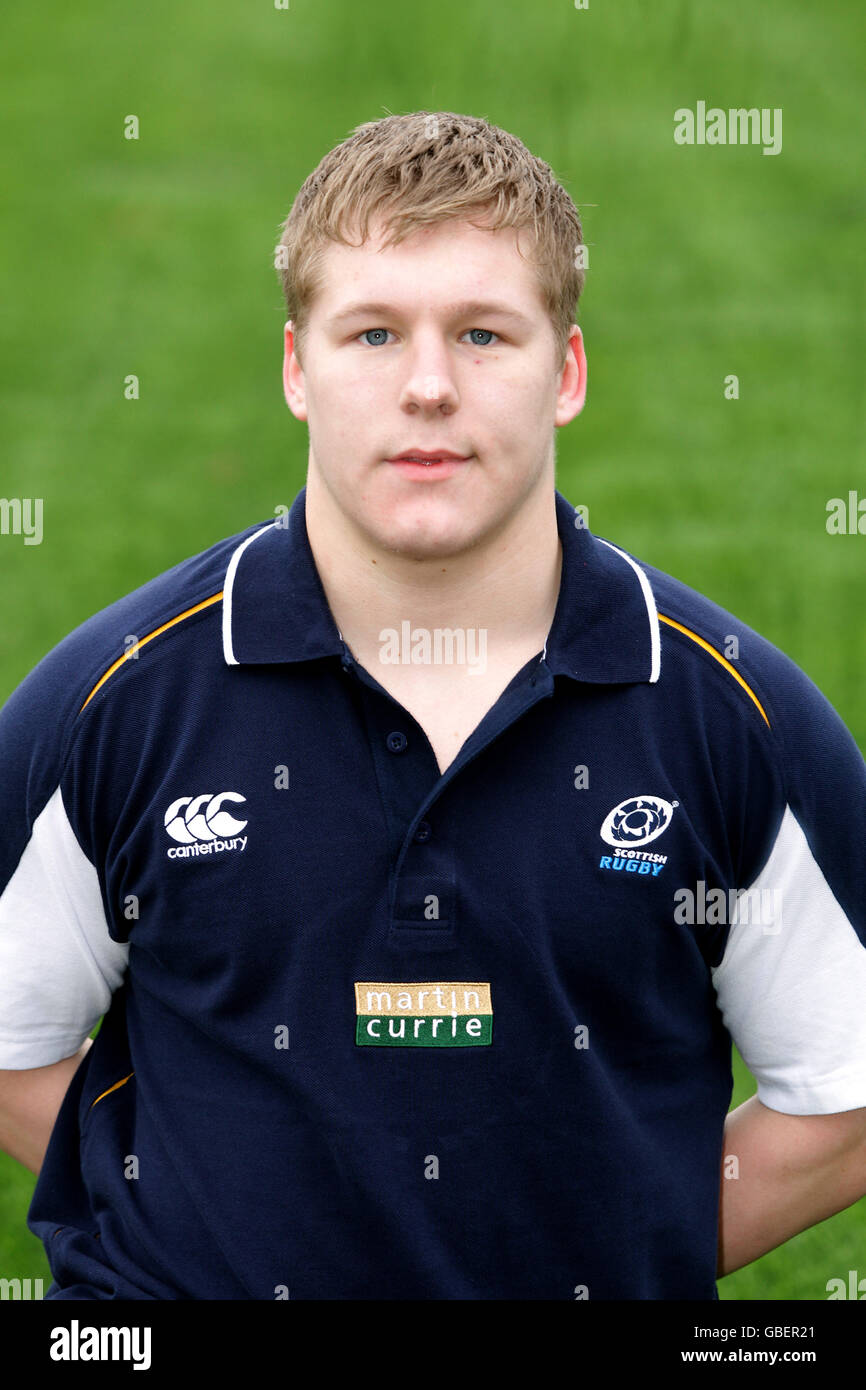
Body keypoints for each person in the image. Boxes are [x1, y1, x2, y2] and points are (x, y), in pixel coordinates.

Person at [1, 110, 865, 1301]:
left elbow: (846, 1101)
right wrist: (192, 1224)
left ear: (563, 371)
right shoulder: (121, 698)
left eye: (481, 333)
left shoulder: (726, 715)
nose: (426, 387)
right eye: (370, 333)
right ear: (296, 368)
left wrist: (608, 1244)